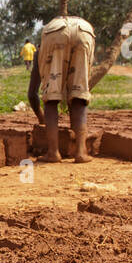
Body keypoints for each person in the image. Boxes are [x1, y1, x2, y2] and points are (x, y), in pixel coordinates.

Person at [28, 14, 95, 164]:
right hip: (84, 30)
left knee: (51, 98)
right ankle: (81, 152)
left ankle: (53, 153)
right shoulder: (82, 27)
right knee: (80, 96)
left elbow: (32, 94)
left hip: (54, 33)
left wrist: (42, 119)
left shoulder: (40, 52)